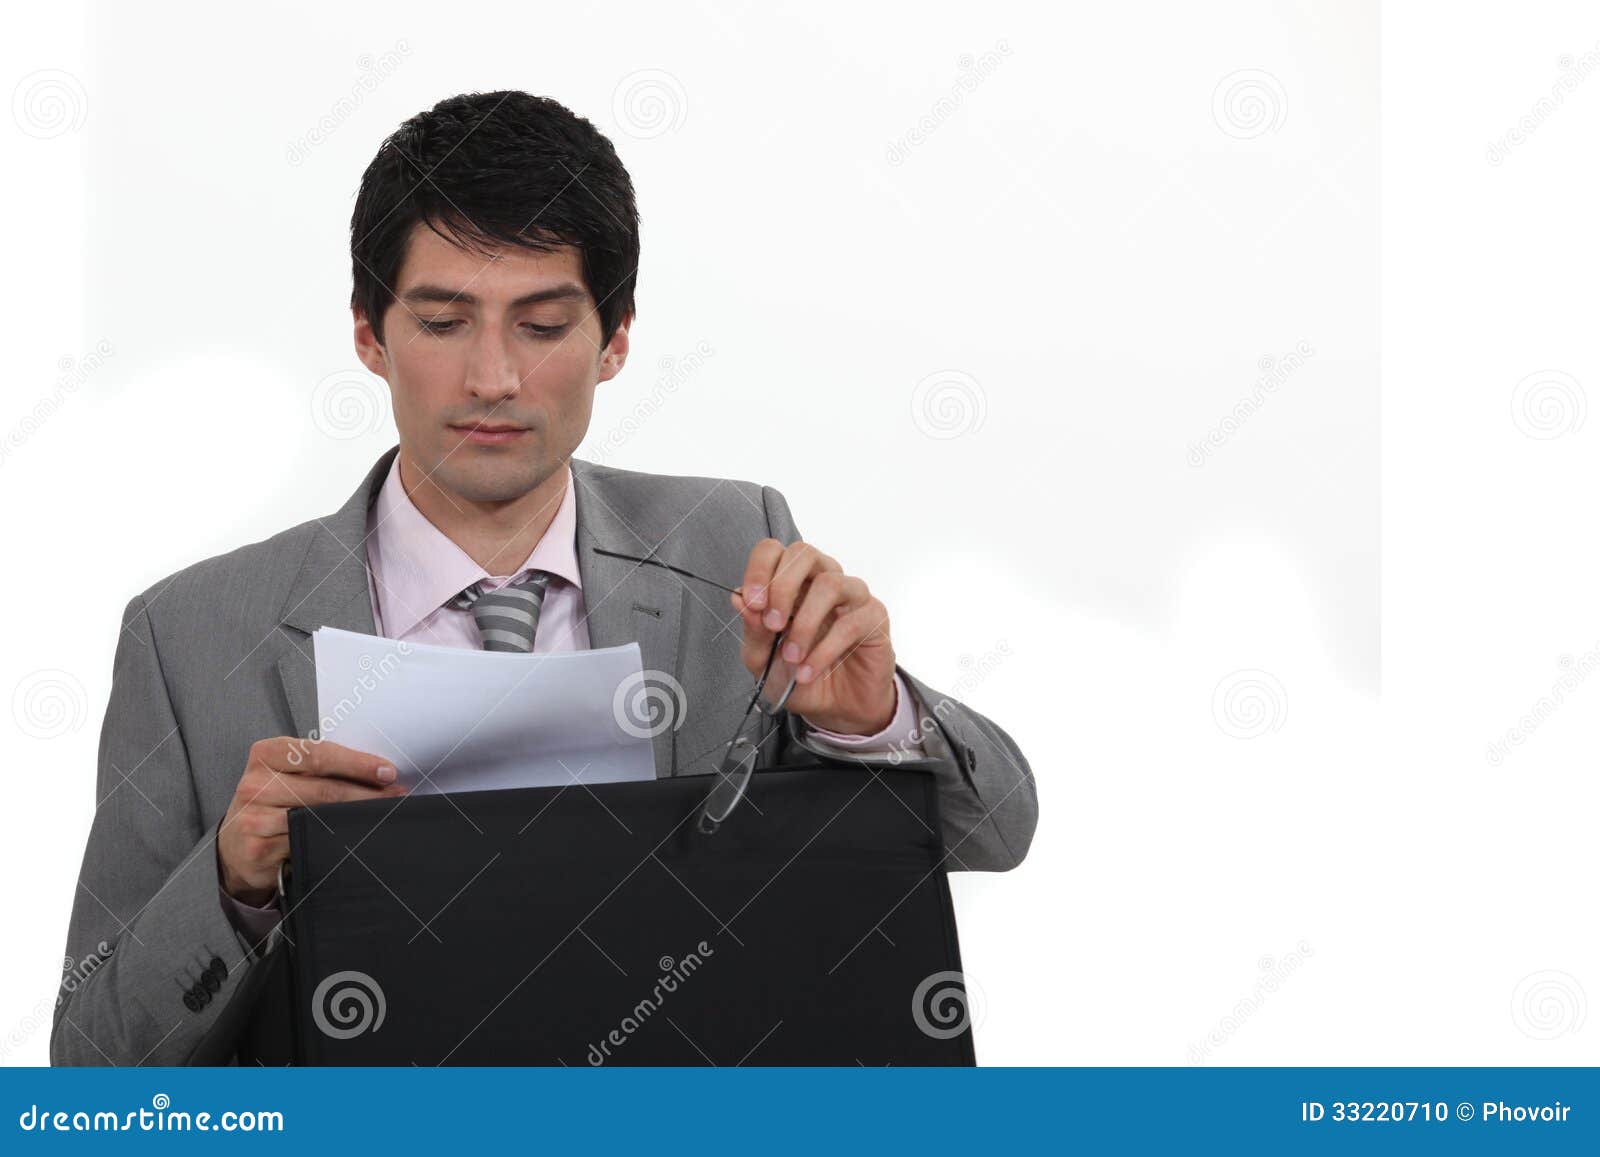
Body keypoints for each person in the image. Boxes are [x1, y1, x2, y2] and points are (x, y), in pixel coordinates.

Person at [50, 91, 1038, 1066]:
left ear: (613, 339)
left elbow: (998, 828)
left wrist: (867, 720)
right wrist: (234, 883)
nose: (492, 379)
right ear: (367, 334)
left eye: (541, 325)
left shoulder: (735, 546)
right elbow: (88, 1064)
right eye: (442, 323)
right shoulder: (190, 635)